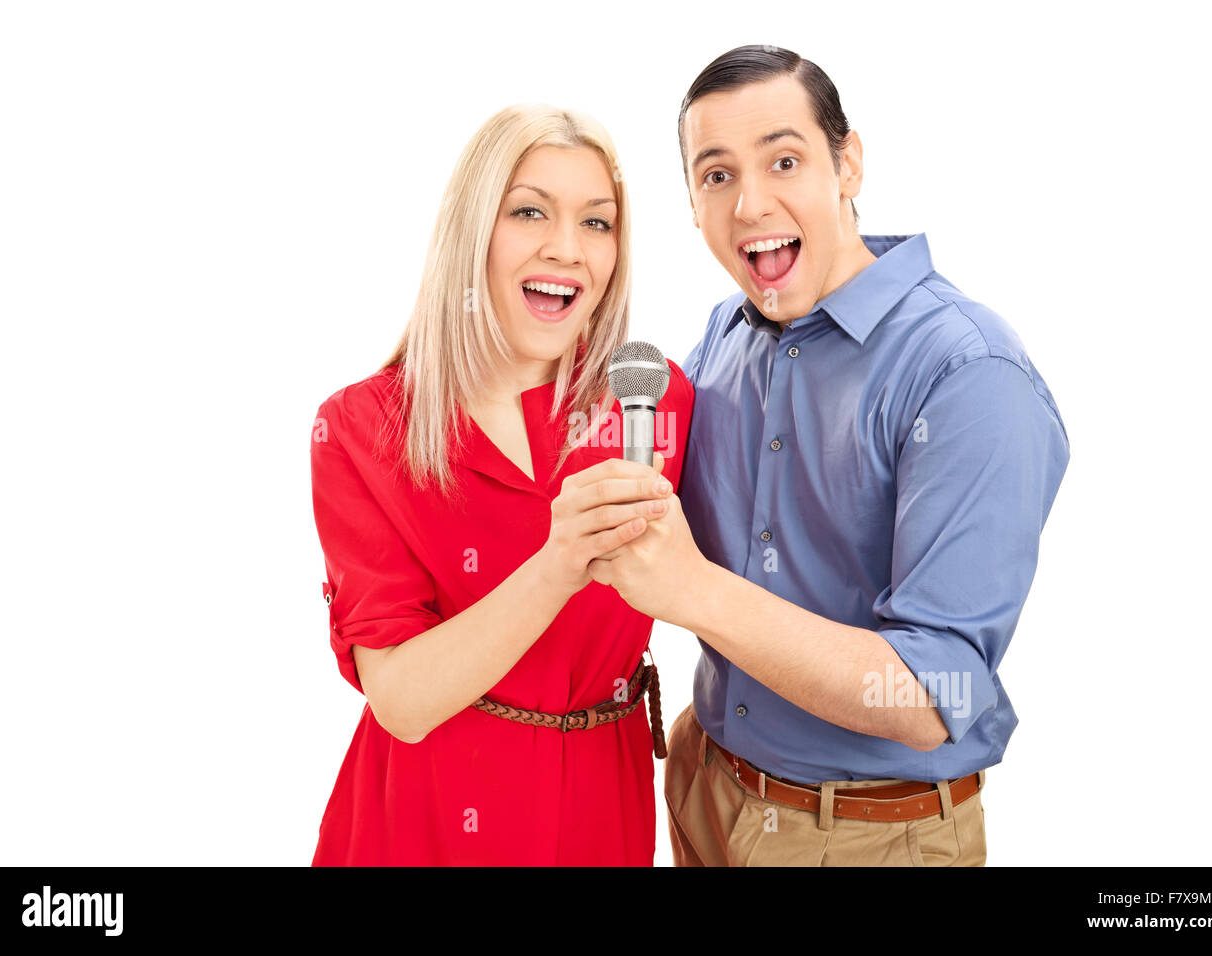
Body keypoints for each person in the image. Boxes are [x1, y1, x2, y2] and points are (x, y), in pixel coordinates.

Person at [587, 45, 1071, 866]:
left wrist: (693, 591)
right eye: (716, 176)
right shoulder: (725, 335)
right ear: (691, 205)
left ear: (847, 163)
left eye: (784, 160)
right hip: (707, 785)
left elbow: (935, 691)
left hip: (866, 834)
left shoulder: (966, 372)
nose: (750, 204)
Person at [308, 103, 694, 865]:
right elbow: (403, 702)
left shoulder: (655, 403)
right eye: (529, 212)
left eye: (597, 222)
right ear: (472, 233)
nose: (568, 249)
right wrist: (557, 565)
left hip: (599, 808)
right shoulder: (361, 428)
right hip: (425, 815)